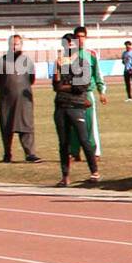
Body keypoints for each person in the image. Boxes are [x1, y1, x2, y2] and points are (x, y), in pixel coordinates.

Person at [51, 32, 99, 186]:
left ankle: (95, 172)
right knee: (63, 143)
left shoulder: (83, 62)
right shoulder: (58, 62)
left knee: (84, 140)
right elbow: (56, 86)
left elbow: (82, 86)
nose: (69, 45)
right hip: (61, 106)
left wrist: (65, 87)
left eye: (71, 42)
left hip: (77, 106)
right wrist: (61, 74)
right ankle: (65, 176)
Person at [0, 34, 41, 162]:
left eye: (17, 44)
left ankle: (30, 153)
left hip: (24, 101)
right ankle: (7, 153)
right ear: (8, 45)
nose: (14, 46)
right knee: (6, 126)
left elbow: (32, 79)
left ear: (21, 45)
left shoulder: (27, 61)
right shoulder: (1, 62)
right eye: (12, 44)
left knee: (26, 125)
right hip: (7, 101)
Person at [69, 25, 107, 161]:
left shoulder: (91, 55)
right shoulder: (69, 55)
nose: (80, 40)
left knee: (90, 124)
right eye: (77, 37)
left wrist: (101, 91)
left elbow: (98, 73)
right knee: (74, 124)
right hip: (73, 94)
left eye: (82, 37)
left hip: (88, 93)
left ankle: (94, 152)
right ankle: (74, 152)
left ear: (86, 38)